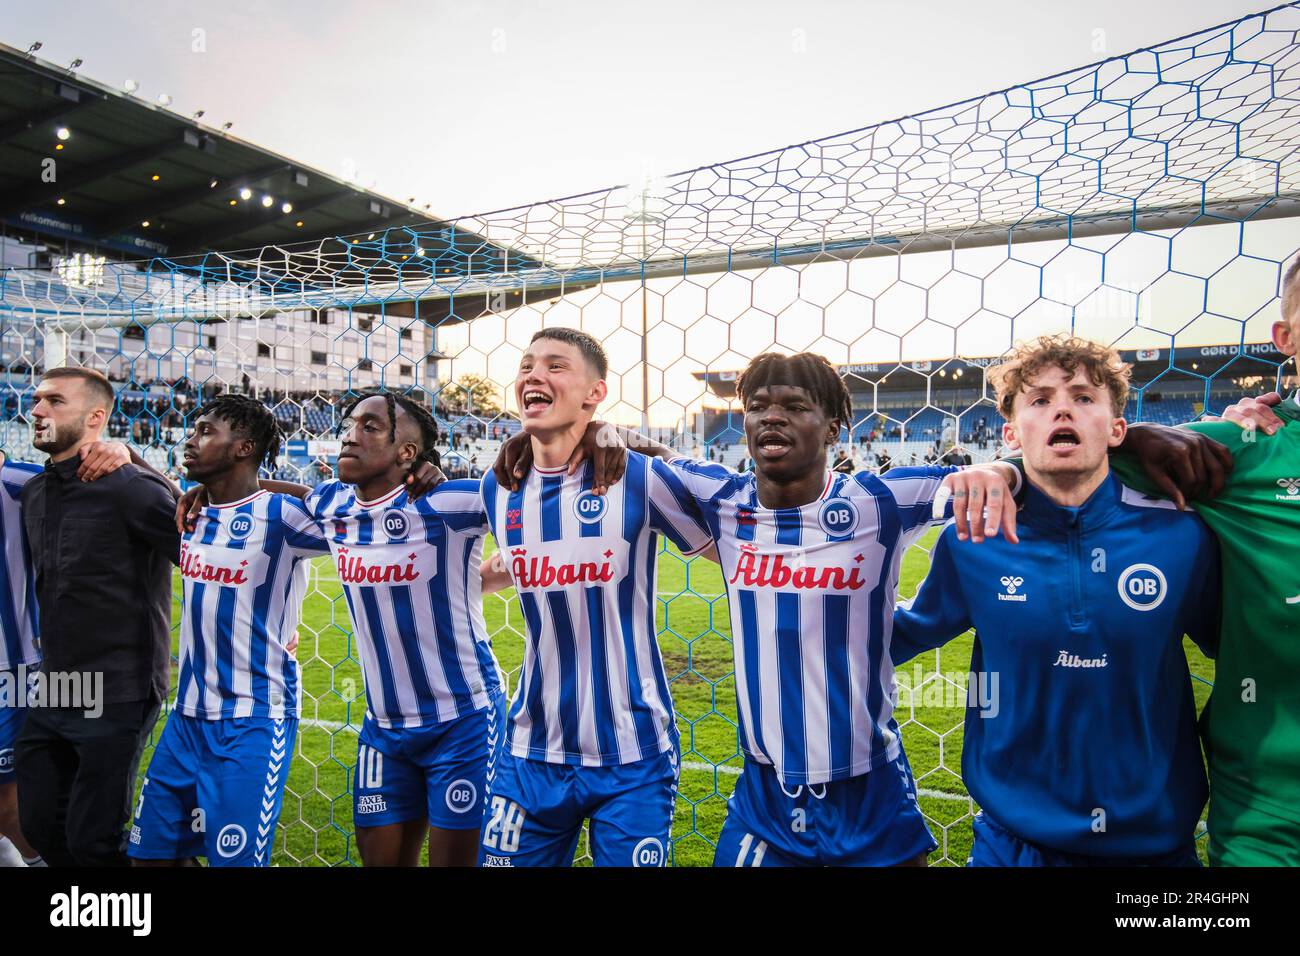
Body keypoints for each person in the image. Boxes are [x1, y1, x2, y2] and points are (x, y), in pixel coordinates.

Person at [502, 351, 1019, 866]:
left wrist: (1004, 468)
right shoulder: (724, 500)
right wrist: (599, 432)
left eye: (795, 406)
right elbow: (648, 454)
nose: (772, 416)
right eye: (758, 406)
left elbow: (1000, 482)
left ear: (834, 427)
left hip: (871, 785)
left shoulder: (880, 500)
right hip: (764, 799)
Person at [892, 335, 1219, 865]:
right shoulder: (973, 537)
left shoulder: (1182, 535)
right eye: (1039, 400)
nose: (1062, 407)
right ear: (1012, 434)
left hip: (1155, 848)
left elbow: (1246, 648)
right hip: (1013, 845)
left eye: (1084, 398)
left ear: (1119, 429)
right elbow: (900, 635)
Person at [1094, 252, 1300, 865]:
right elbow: (1052, 458)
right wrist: (1137, 434)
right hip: (1276, 807)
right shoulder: (1245, 445)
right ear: (1286, 339)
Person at [480, 328, 712, 867]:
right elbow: (515, 562)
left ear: (595, 392)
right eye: (526, 365)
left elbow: (732, 541)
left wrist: (649, 444)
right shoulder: (501, 486)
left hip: (631, 752)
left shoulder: (636, 476)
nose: (533, 375)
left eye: (556, 366)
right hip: (528, 750)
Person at [128, 396, 329, 867]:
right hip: (187, 716)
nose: (190, 440)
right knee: (149, 856)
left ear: (244, 448)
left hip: (254, 718)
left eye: (205, 431)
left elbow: (353, 513)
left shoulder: (281, 516)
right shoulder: (192, 514)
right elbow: (157, 486)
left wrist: (259, 481)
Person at [16, 367, 180, 867]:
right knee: (41, 825)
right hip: (59, 683)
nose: (38, 410)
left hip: (119, 685)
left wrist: (138, 460)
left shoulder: (130, 487)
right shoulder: (35, 492)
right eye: (37, 399)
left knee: (95, 838)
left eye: (53, 401)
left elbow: (203, 552)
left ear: (95, 417)